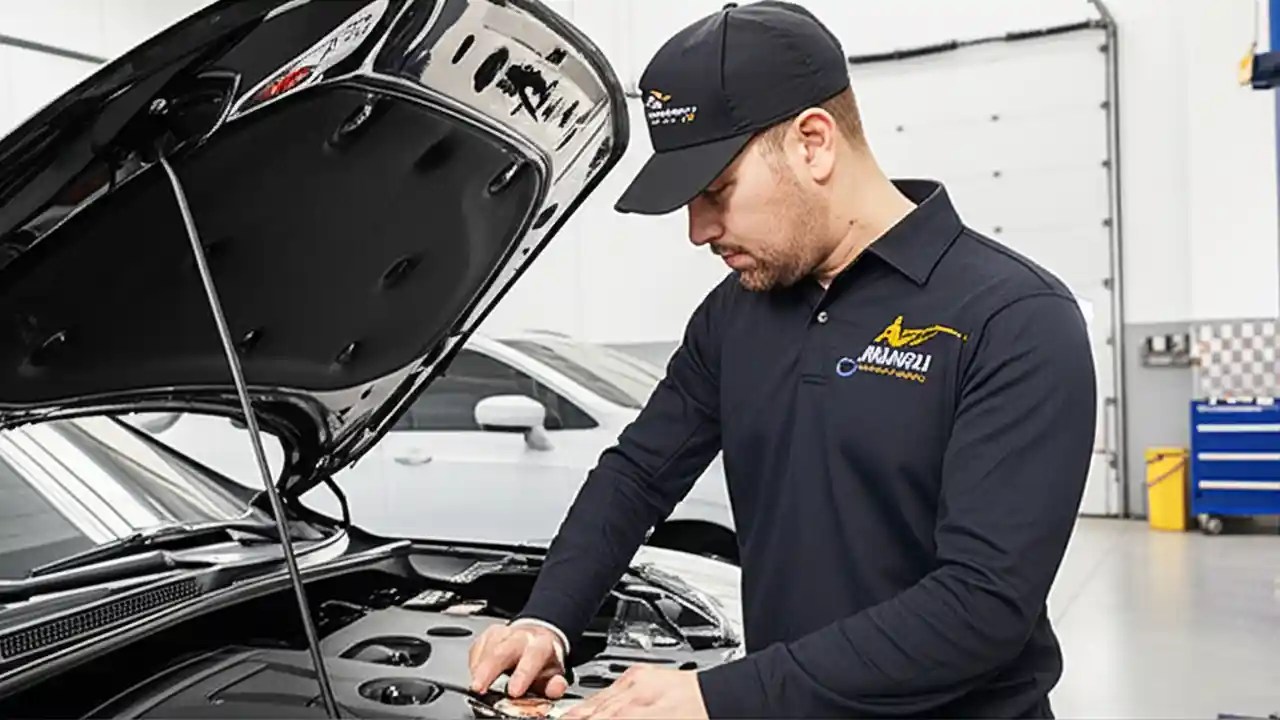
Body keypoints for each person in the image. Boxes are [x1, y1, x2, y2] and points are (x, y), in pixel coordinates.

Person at [467, 1, 1097, 718]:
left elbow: (979, 606)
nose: (699, 231)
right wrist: (546, 618)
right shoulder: (734, 317)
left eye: (716, 193)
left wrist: (719, 698)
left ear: (813, 143)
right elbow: (637, 475)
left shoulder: (1013, 319)